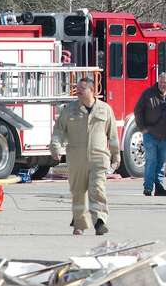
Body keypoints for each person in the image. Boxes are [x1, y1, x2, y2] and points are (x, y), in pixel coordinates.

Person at [50, 76, 120, 236]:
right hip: (77, 159)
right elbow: (59, 131)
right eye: (77, 90)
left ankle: (100, 221)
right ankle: (80, 224)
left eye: (82, 90)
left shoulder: (104, 109)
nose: (79, 92)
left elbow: (113, 135)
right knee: (79, 192)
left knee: (97, 189)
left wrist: (116, 155)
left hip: (99, 157)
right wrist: (55, 147)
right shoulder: (69, 110)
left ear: (92, 91)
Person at [133, 70, 166, 197]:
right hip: (150, 134)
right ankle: (148, 188)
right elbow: (138, 111)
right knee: (151, 161)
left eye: (165, 82)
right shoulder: (148, 94)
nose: (162, 84)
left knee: (161, 162)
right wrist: (142, 128)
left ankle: (159, 187)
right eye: (160, 82)